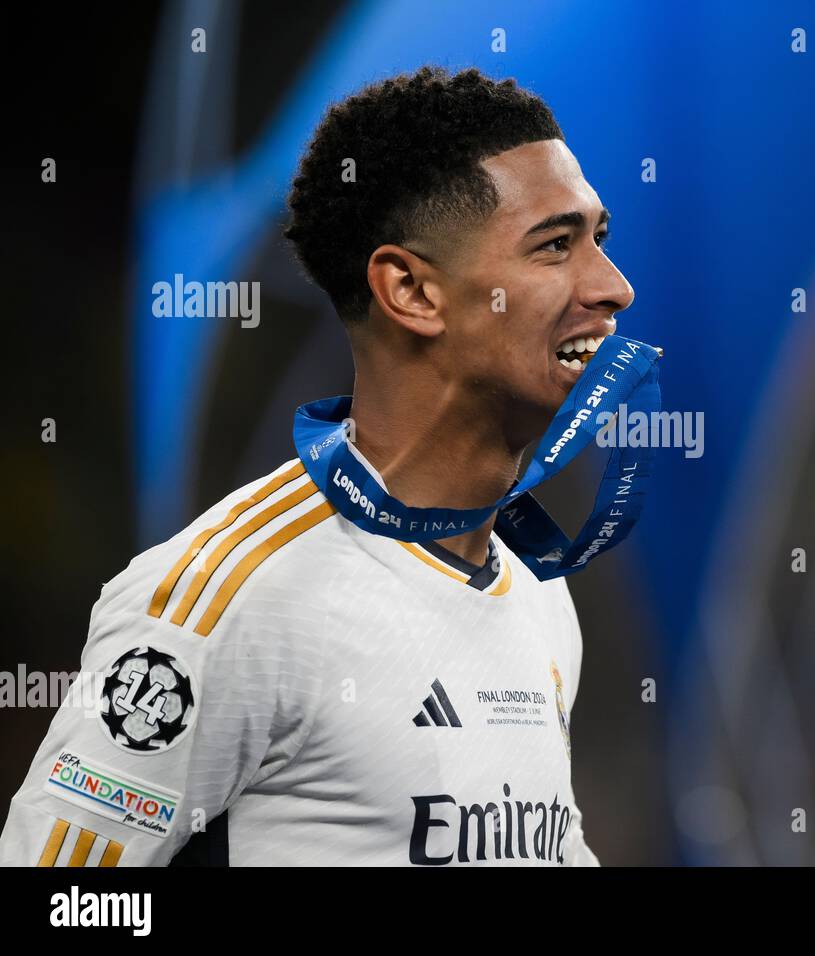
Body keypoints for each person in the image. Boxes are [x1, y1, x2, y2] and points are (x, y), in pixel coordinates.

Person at [0, 65, 644, 866]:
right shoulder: (226, 596)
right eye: (555, 246)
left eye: (599, 241)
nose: (613, 287)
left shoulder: (539, 595)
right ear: (411, 291)